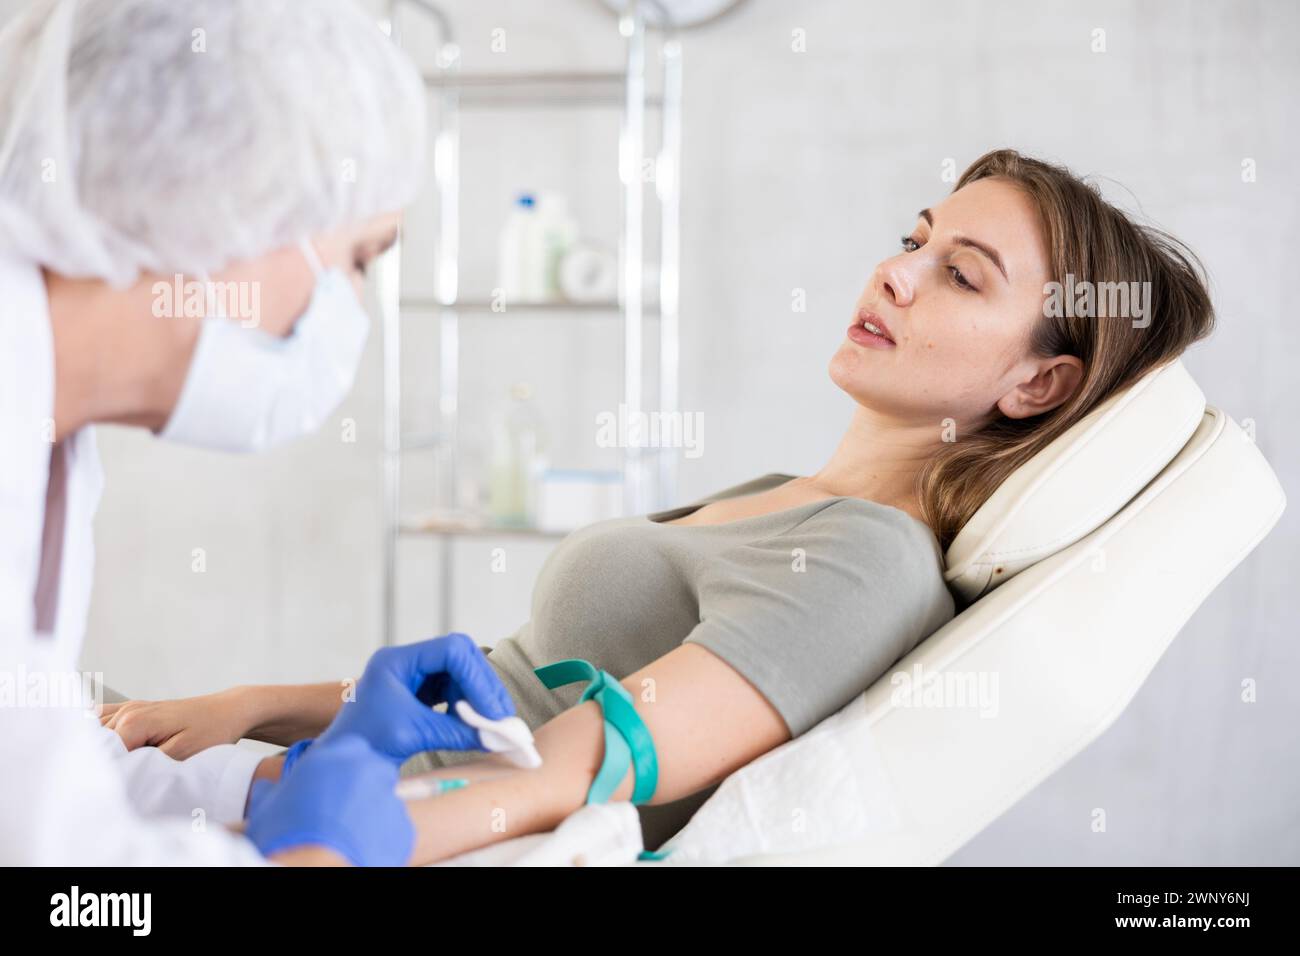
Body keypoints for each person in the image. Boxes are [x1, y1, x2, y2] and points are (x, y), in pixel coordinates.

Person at [102, 150, 1219, 862]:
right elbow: (504, 685)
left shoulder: (866, 562)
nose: (895, 271)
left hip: (328, 830)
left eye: (961, 274)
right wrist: (254, 703)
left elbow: (571, 768)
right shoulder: (781, 499)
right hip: (290, 786)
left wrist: (326, 850)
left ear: (1038, 384)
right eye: (913, 236)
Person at [0, 0, 514, 866]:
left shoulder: (49, 433)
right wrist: (316, 854)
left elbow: (36, 787)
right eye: (358, 259)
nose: (348, 314)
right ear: (211, 194)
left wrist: (275, 782)